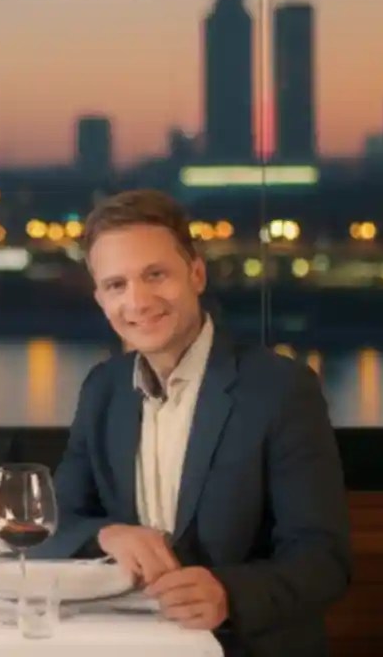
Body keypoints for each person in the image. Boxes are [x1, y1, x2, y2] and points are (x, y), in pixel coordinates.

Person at [35, 189, 351, 656]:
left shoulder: (281, 389)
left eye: (155, 275)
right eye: (116, 285)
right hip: (125, 644)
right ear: (101, 298)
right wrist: (107, 533)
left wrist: (228, 593)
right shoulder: (103, 388)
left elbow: (324, 560)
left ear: (197, 274)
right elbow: (55, 518)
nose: (137, 301)